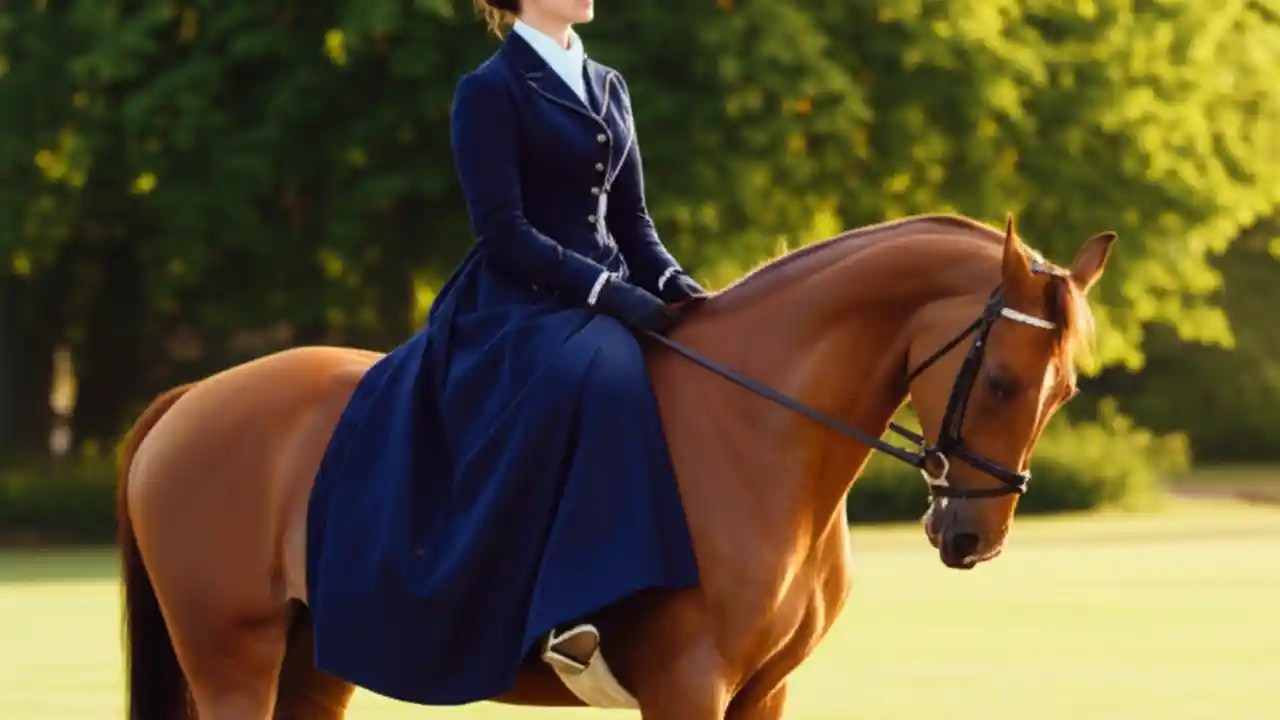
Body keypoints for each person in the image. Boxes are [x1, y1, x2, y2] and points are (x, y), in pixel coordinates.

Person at [304, 0, 704, 706]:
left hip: (606, 295)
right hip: (521, 304)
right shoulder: (489, 90)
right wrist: (607, 292)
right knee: (599, 372)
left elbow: (632, 219)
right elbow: (504, 229)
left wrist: (678, 286)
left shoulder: (608, 84)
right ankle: (570, 612)